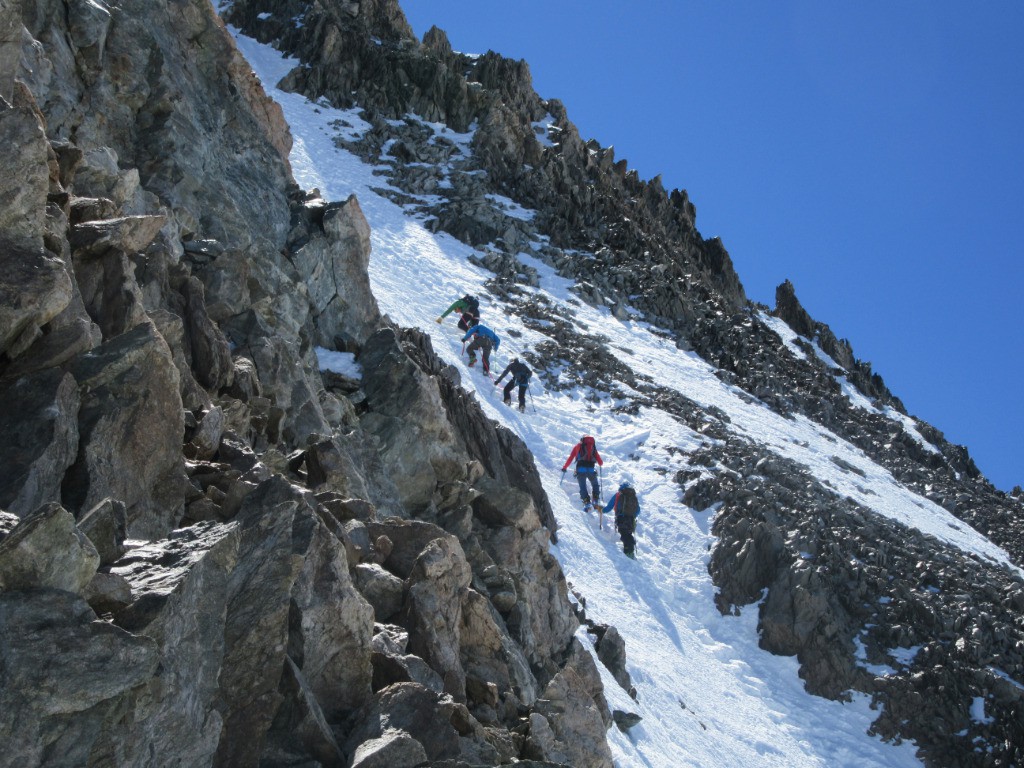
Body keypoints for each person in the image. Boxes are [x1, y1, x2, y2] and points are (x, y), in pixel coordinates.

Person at [561, 436, 603, 509]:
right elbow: (600, 462)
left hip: (580, 469)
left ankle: (587, 502)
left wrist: (565, 467)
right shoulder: (593, 447)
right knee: (595, 484)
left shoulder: (578, 446)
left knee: (583, 486)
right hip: (591, 469)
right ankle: (595, 500)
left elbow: (571, 457)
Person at [603, 481, 640, 558]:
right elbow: (638, 510)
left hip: (621, 518)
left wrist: (601, 510)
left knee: (624, 534)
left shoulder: (618, 495)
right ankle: (630, 551)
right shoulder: (633, 496)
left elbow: (609, 507)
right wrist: (632, 516)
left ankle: (628, 553)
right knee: (628, 534)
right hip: (631, 519)